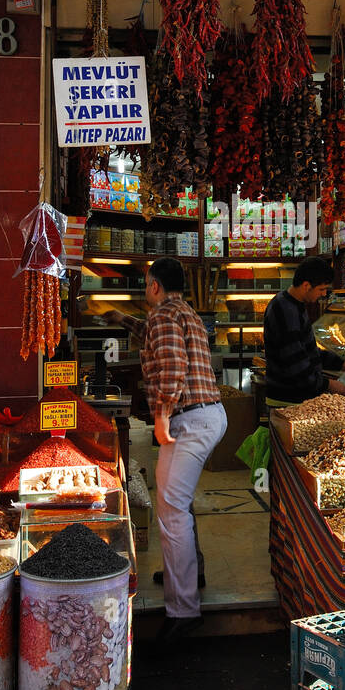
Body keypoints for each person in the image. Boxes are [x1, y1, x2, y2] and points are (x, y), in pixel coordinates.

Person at [116, 257, 227, 645]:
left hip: (188, 419)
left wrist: (160, 415)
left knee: (170, 509)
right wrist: (120, 317)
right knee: (179, 502)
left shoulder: (164, 315)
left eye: (146, 284)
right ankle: (188, 571)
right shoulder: (186, 313)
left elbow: (172, 366)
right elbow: (153, 334)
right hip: (208, 414)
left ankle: (183, 610)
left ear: (153, 286)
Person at [263, 256, 345, 405]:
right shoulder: (284, 309)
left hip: (298, 397)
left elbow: (309, 350)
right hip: (287, 399)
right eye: (321, 289)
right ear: (306, 285)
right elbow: (295, 364)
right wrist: (329, 384)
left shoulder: (296, 305)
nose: (324, 294)